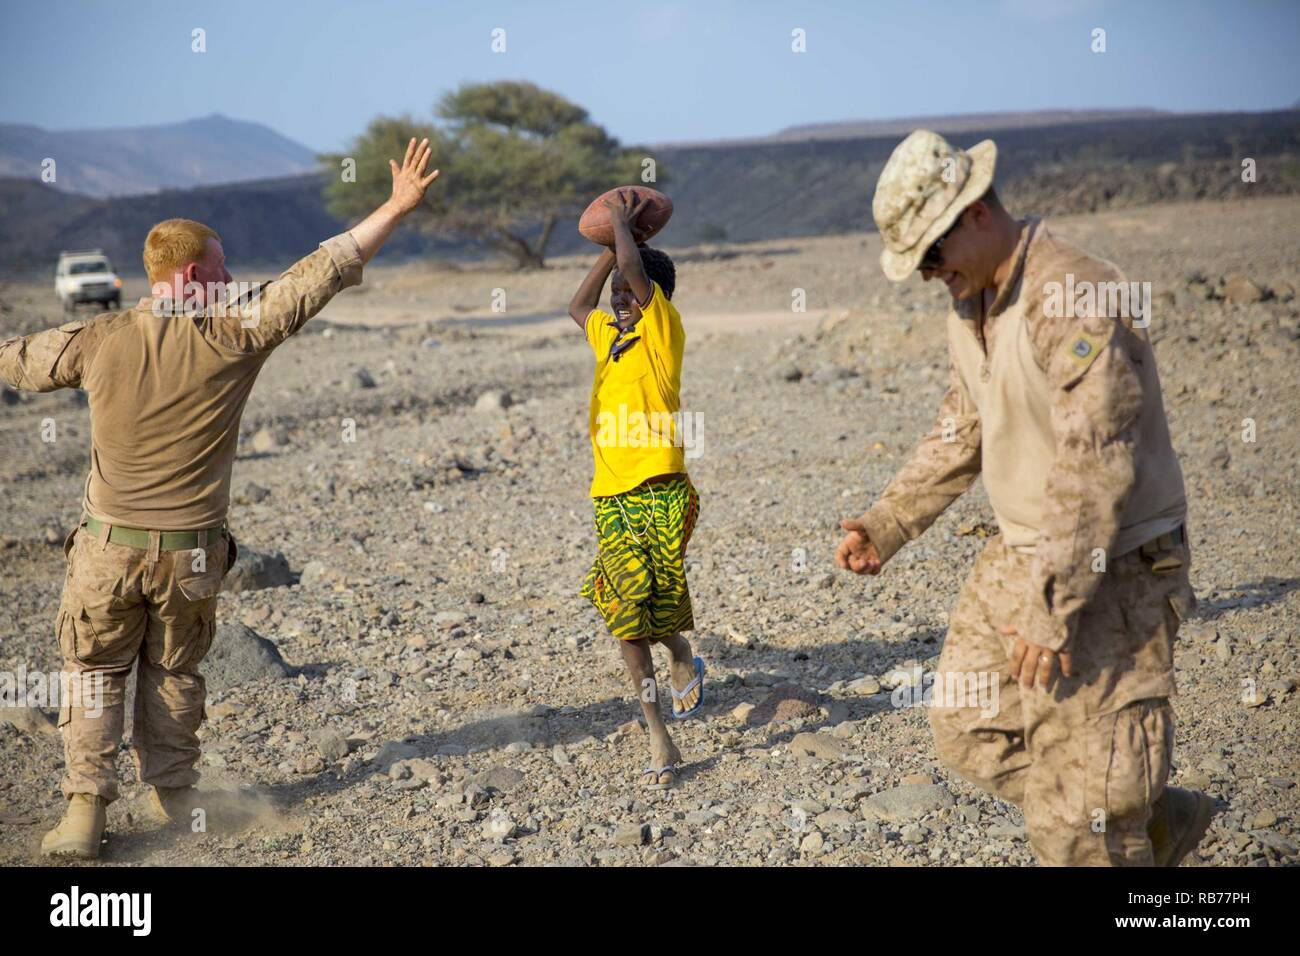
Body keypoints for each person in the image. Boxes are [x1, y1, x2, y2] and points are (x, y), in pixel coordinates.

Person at [1, 138, 441, 859]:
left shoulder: (99, 337)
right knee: (174, 673)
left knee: (94, 674)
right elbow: (320, 272)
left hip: (106, 552)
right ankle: (176, 796)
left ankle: (84, 812)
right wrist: (393, 207)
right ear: (195, 273)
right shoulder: (235, 334)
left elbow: (15, 359)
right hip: (193, 557)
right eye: (224, 266)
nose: (234, 276)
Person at [835, 129, 1212, 866]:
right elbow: (962, 427)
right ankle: (1142, 814)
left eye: (931, 255)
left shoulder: (1072, 294)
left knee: (1080, 826)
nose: (926, 275)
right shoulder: (971, 302)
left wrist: (1053, 609)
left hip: (1112, 568)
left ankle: (1110, 815)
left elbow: (1096, 460)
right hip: (1021, 551)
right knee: (970, 725)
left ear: (975, 212)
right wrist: (887, 523)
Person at [567, 189, 704, 791]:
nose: (620, 299)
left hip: (662, 490)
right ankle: (656, 730)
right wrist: (610, 244)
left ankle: (679, 650)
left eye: (631, 293)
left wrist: (624, 232)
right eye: (618, 294)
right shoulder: (609, 339)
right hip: (612, 496)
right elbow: (577, 305)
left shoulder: (661, 334)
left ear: (655, 301)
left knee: (657, 609)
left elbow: (634, 272)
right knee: (625, 616)